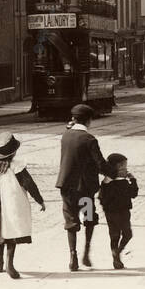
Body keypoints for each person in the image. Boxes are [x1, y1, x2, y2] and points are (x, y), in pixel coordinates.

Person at [55, 103, 117, 271]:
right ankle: (86, 253)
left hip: (66, 187)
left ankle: (72, 256)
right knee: (89, 218)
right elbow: (100, 164)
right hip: (84, 190)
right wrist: (114, 173)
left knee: (70, 219)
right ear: (89, 120)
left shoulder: (65, 136)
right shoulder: (89, 139)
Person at [0, 133, 45, 279]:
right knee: (11, 233)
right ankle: (10, 264)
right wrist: (39, 200)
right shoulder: (16, 167)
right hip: (11, 206)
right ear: (13, 152)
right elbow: (29, 184)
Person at [98, 152, 138, 269]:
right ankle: (117, 254)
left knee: (114, 235)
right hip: (122, 211)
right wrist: (133, 179)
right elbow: (134, 193)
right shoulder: (122, 182)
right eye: (124, 166)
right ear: (117, 167)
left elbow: (101, 197)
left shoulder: (106, 182)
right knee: (127, 234)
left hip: (111, 212)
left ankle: (116, 256)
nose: (126, 169)